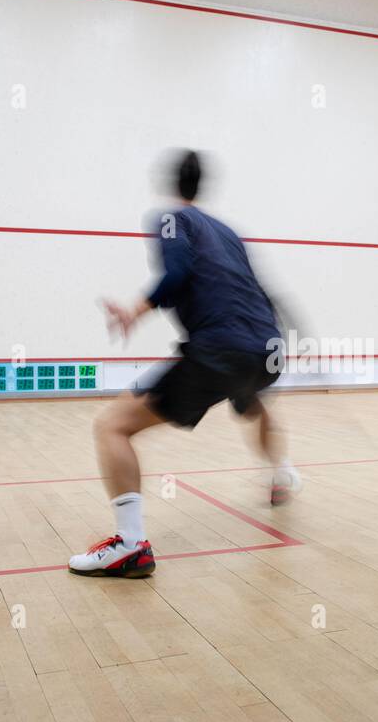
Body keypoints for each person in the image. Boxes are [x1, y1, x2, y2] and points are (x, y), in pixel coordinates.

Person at [69, 150, 301, 577]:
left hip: (221, 348)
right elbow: (252, 288)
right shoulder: (230, 232)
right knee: (253, 401)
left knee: (112, 426)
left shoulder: (170, 219)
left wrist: (133, 311)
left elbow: (175, 276)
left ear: (173, 184)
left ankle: (130, 547)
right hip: (265, 348)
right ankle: (283, 474)